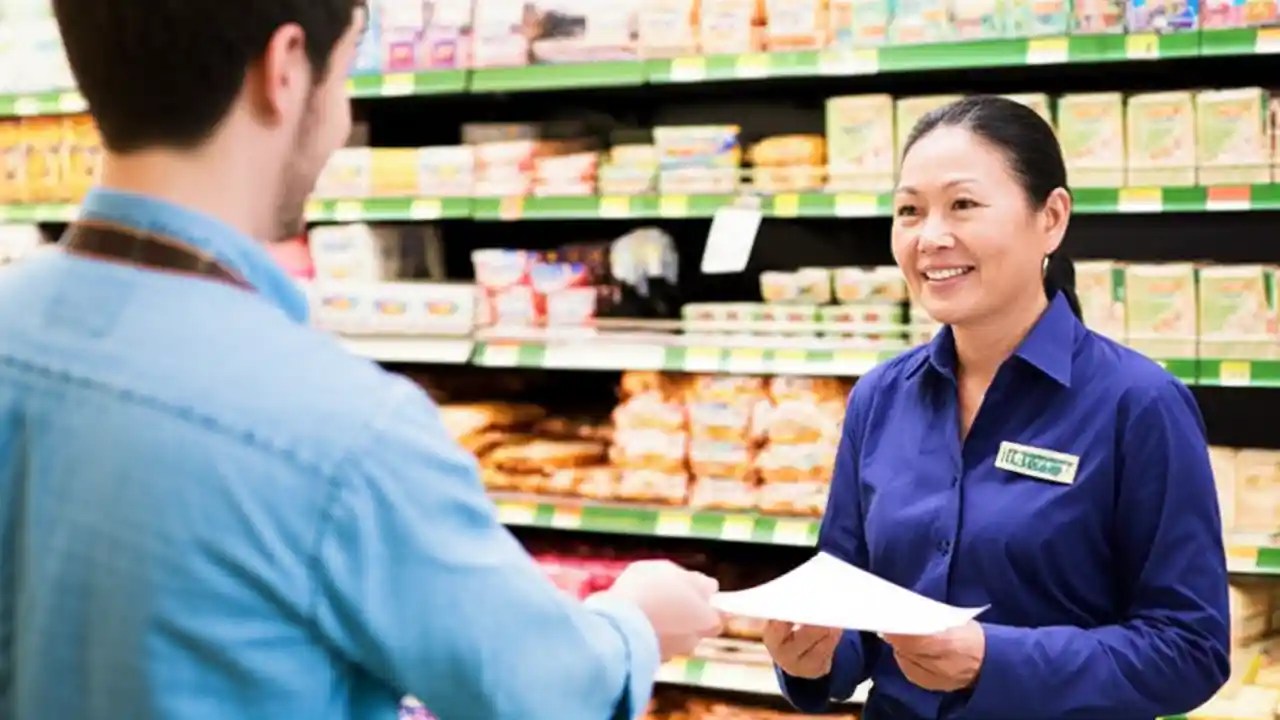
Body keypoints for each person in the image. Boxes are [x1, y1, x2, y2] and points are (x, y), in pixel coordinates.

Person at [0, 2, 723, 719]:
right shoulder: (343, 431)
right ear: (284, 69)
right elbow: (547, 691)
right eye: (345, 71)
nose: (342, 120)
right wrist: (635, 623)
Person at [763, 95, 1230, 720]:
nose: (931, 237)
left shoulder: (1137, 405)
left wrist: (993, 659)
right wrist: (812, 659)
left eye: (964, 204)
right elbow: (851, 612)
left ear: (1052, 218)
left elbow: (1190, 649)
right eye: (909, 210)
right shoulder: (879, 399)